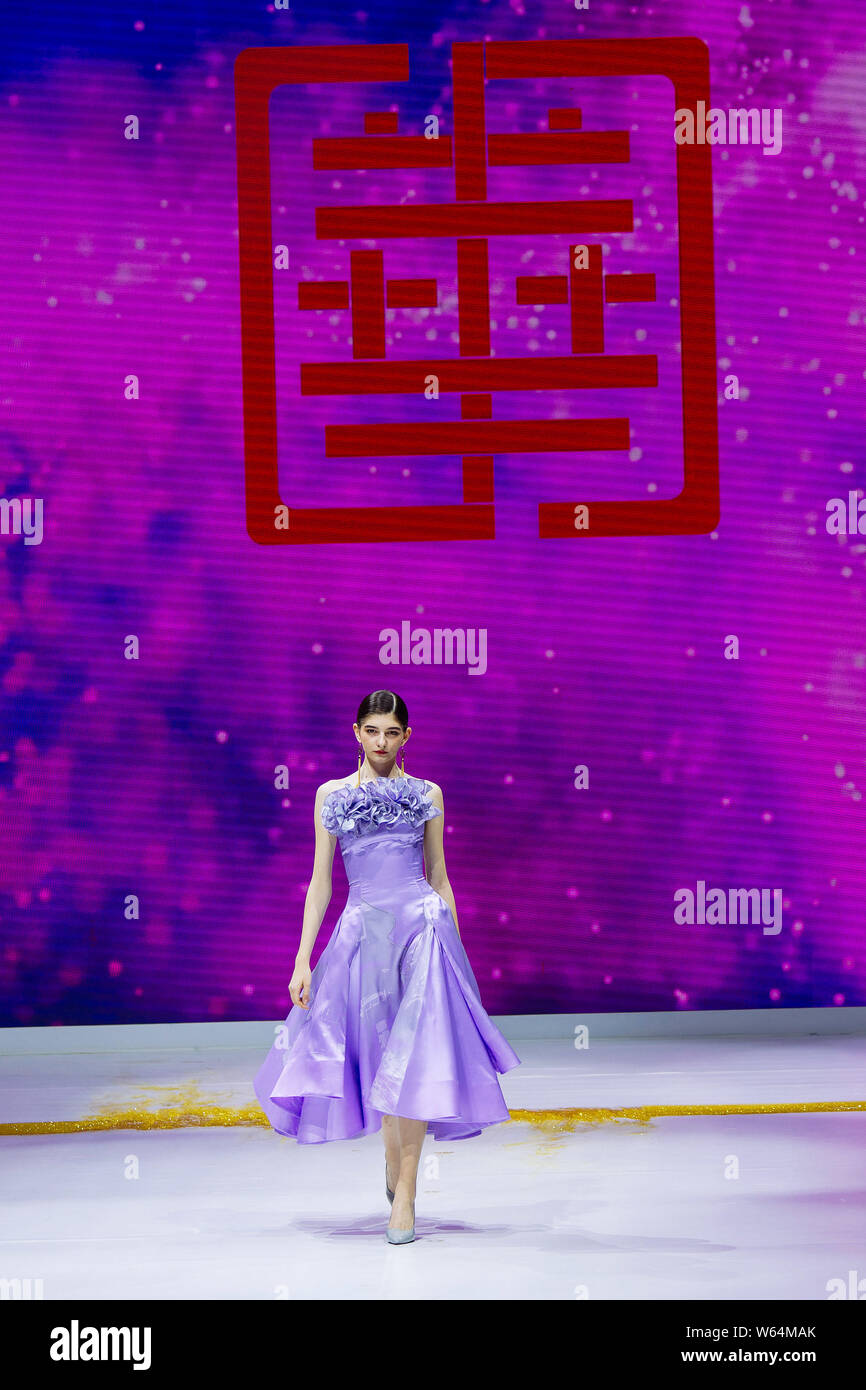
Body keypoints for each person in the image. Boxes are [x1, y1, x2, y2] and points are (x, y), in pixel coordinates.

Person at [253, 689, 521, 1244]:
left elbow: (440, 875)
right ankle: (393, 1164)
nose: (381, 741)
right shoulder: (331, 795)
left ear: (406, 737)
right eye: (372, 730)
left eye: (391, 732)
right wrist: (302, 958)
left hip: (422, 929)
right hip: (363, 932)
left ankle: (408, 1194)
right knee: (378, 1058)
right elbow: (321, 882)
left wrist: (457, 952)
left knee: (417, 1056)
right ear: (356, 732)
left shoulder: (428, 794)